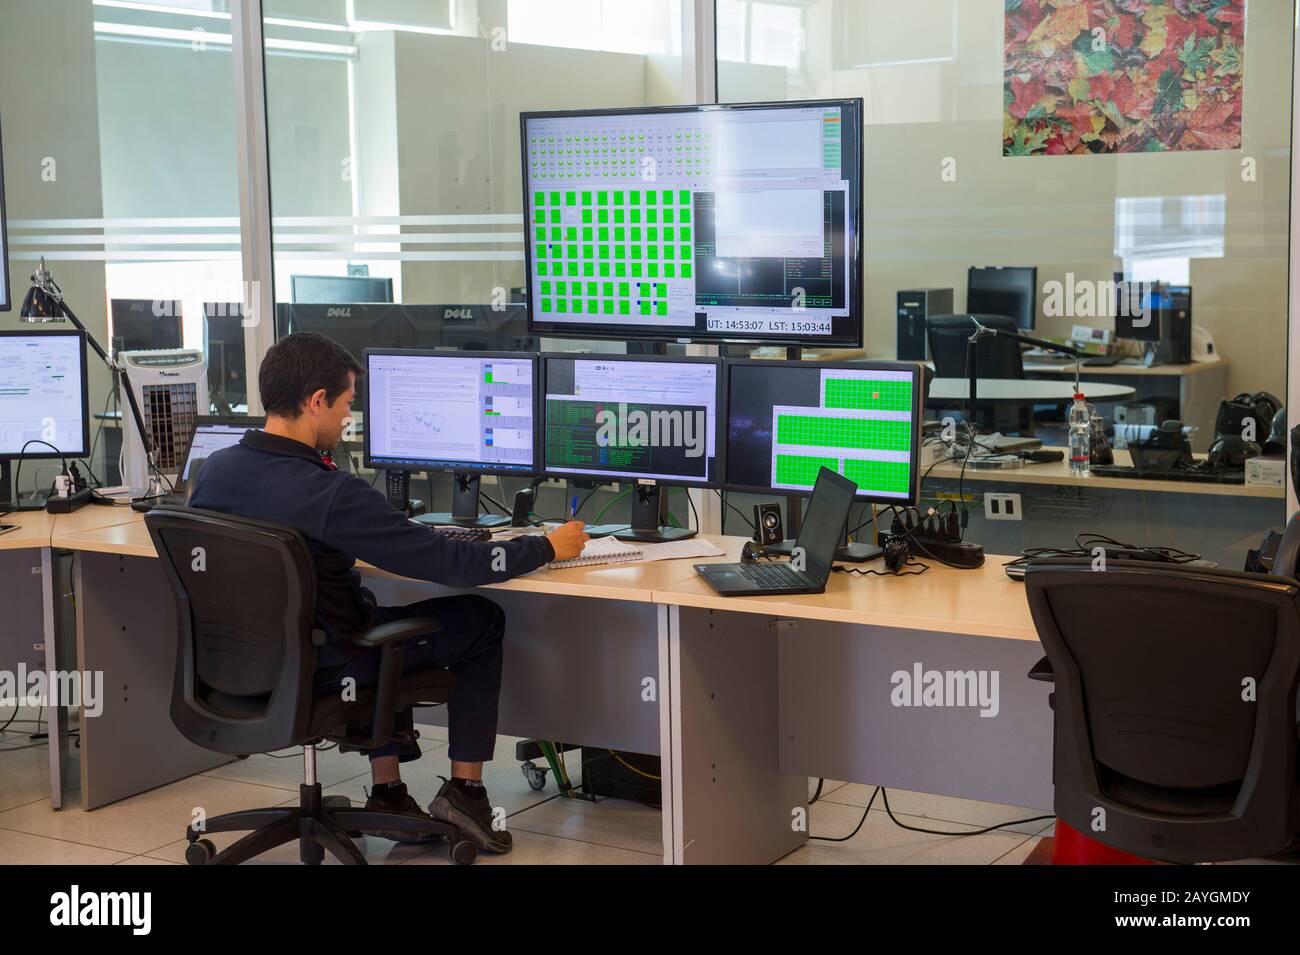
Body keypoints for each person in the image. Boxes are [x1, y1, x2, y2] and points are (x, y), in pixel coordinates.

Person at [189, 332, 588, 854]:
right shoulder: (331, 493)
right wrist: (546, 548)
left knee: (374, 615)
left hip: (241, 671)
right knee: (477, 620)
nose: (347, 420)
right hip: (330, 669)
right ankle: (465, 795)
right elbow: (452, 564)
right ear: (315, 402)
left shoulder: (213, 471)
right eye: (346, 404)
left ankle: (390, 793)